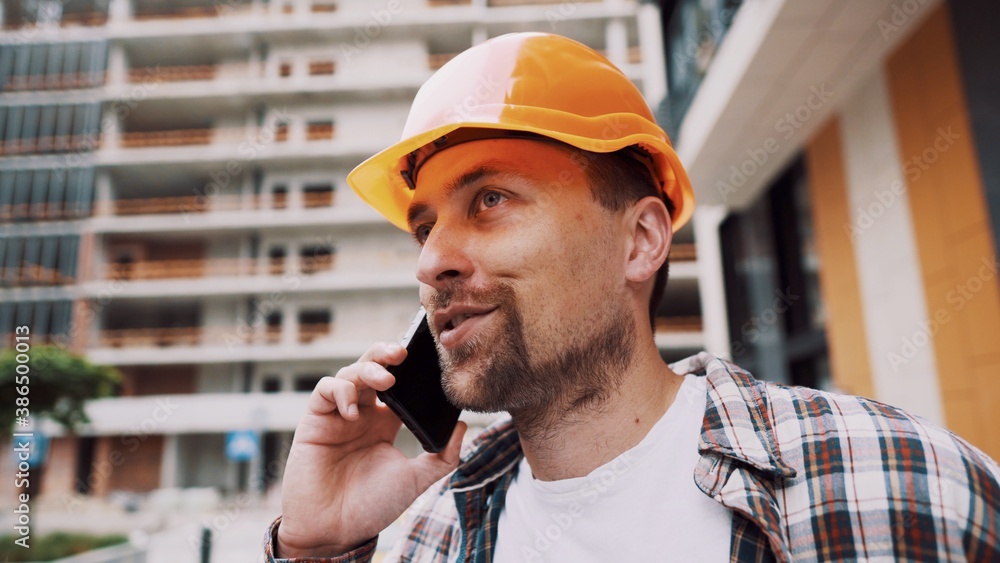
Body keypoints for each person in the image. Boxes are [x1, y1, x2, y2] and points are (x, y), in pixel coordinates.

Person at [265, 33, 1000, 562]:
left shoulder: (902, 485)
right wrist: (313, 546)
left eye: (489, 199)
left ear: (642, 241)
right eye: (424, 226)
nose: (431, 261)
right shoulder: (434, 535)